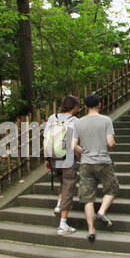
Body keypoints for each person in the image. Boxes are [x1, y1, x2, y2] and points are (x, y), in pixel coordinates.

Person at [68, 90, 116, 239]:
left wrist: (85, 151)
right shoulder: (106, 120)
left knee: (87, 198)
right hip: (103, 162)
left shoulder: (79, 122)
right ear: (99, 105)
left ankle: (91, 231)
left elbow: (73, 146)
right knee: (112, 188)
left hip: (86, 163)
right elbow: (110, 143)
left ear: (85, 106)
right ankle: (101, 212)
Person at [41, 94, 80, 234]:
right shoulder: (75, 121)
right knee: (68, 187)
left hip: (53, 156)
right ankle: (63, 224)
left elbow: (45, 138)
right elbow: (74, 143)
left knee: (62, 183)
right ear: (74, 107)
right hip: (68, 157)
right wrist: (80, 157)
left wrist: (46, 158)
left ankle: (58, 205)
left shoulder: (52, 118)